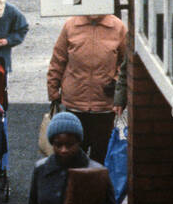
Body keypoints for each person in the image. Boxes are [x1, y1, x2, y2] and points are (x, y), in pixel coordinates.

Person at [46, 12, 127, 162]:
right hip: (75, 104)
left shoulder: (118, 27)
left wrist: (116, 82)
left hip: (104, 106)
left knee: (101, 156)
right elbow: (58, 60)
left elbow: (126, 62)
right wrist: (53, 90)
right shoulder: (71, 25)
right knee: (73, 155)